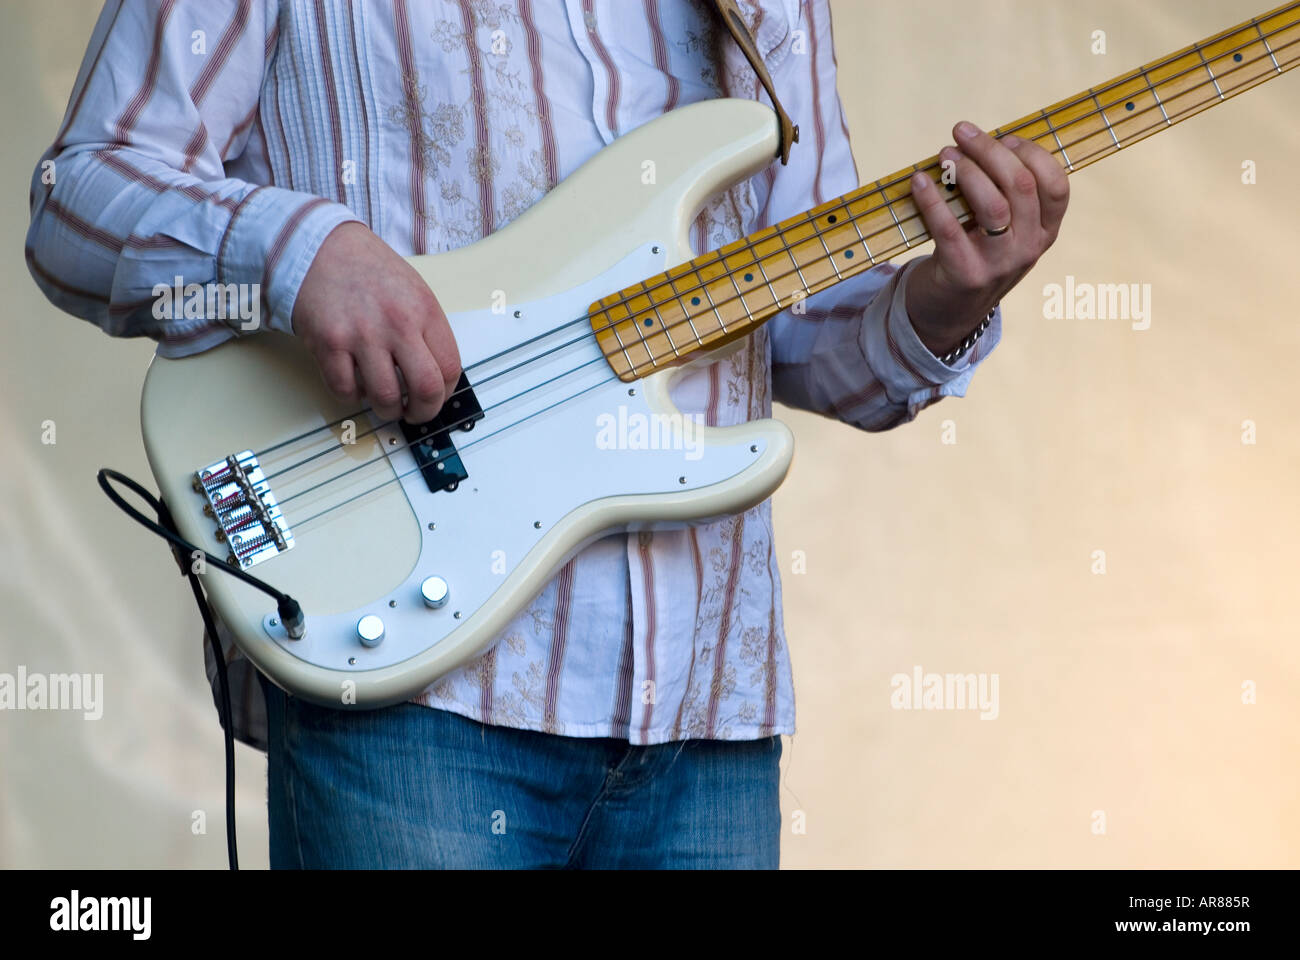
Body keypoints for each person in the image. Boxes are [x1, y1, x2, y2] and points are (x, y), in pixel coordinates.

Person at [27, 0, 1068, 869]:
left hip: (707, 717)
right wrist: (300, 254)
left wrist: (941, 302)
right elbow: (79, 198)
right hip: (413, 691)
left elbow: (789, 331)